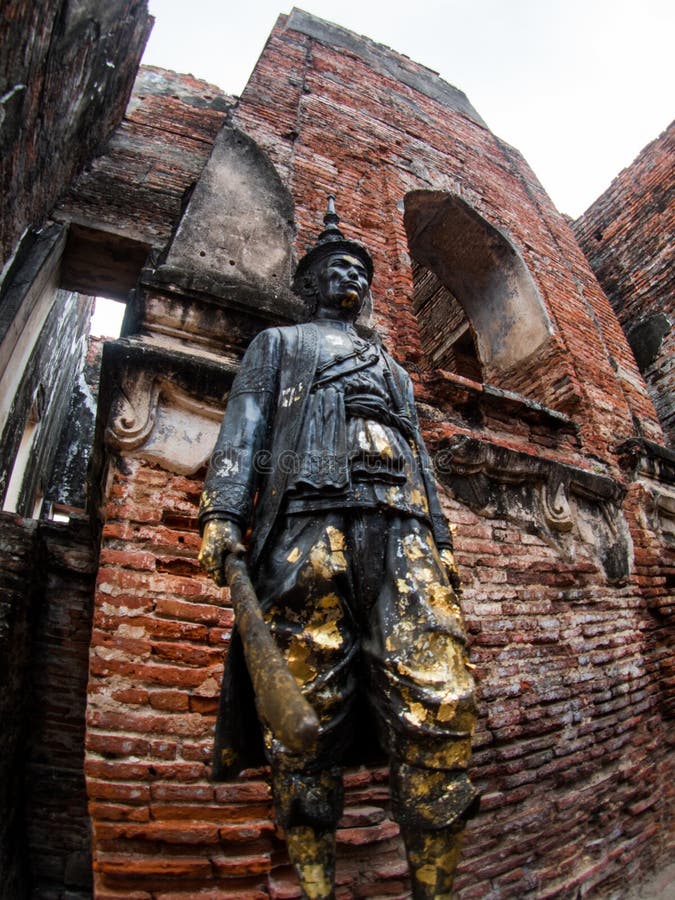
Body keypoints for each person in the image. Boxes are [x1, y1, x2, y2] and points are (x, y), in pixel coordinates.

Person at [199, 198, 479, 899]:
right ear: (310, 284)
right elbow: (243, 430)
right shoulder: (279, 346)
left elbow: (419, 457)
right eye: (334, 268)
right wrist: (222, 514)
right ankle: (317, 885)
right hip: (306, 527)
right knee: (304, 709)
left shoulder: (395, 372)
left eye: (358, 269)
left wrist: (441, 543)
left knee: (437, 694)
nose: (348, 277)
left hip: (401, 523)